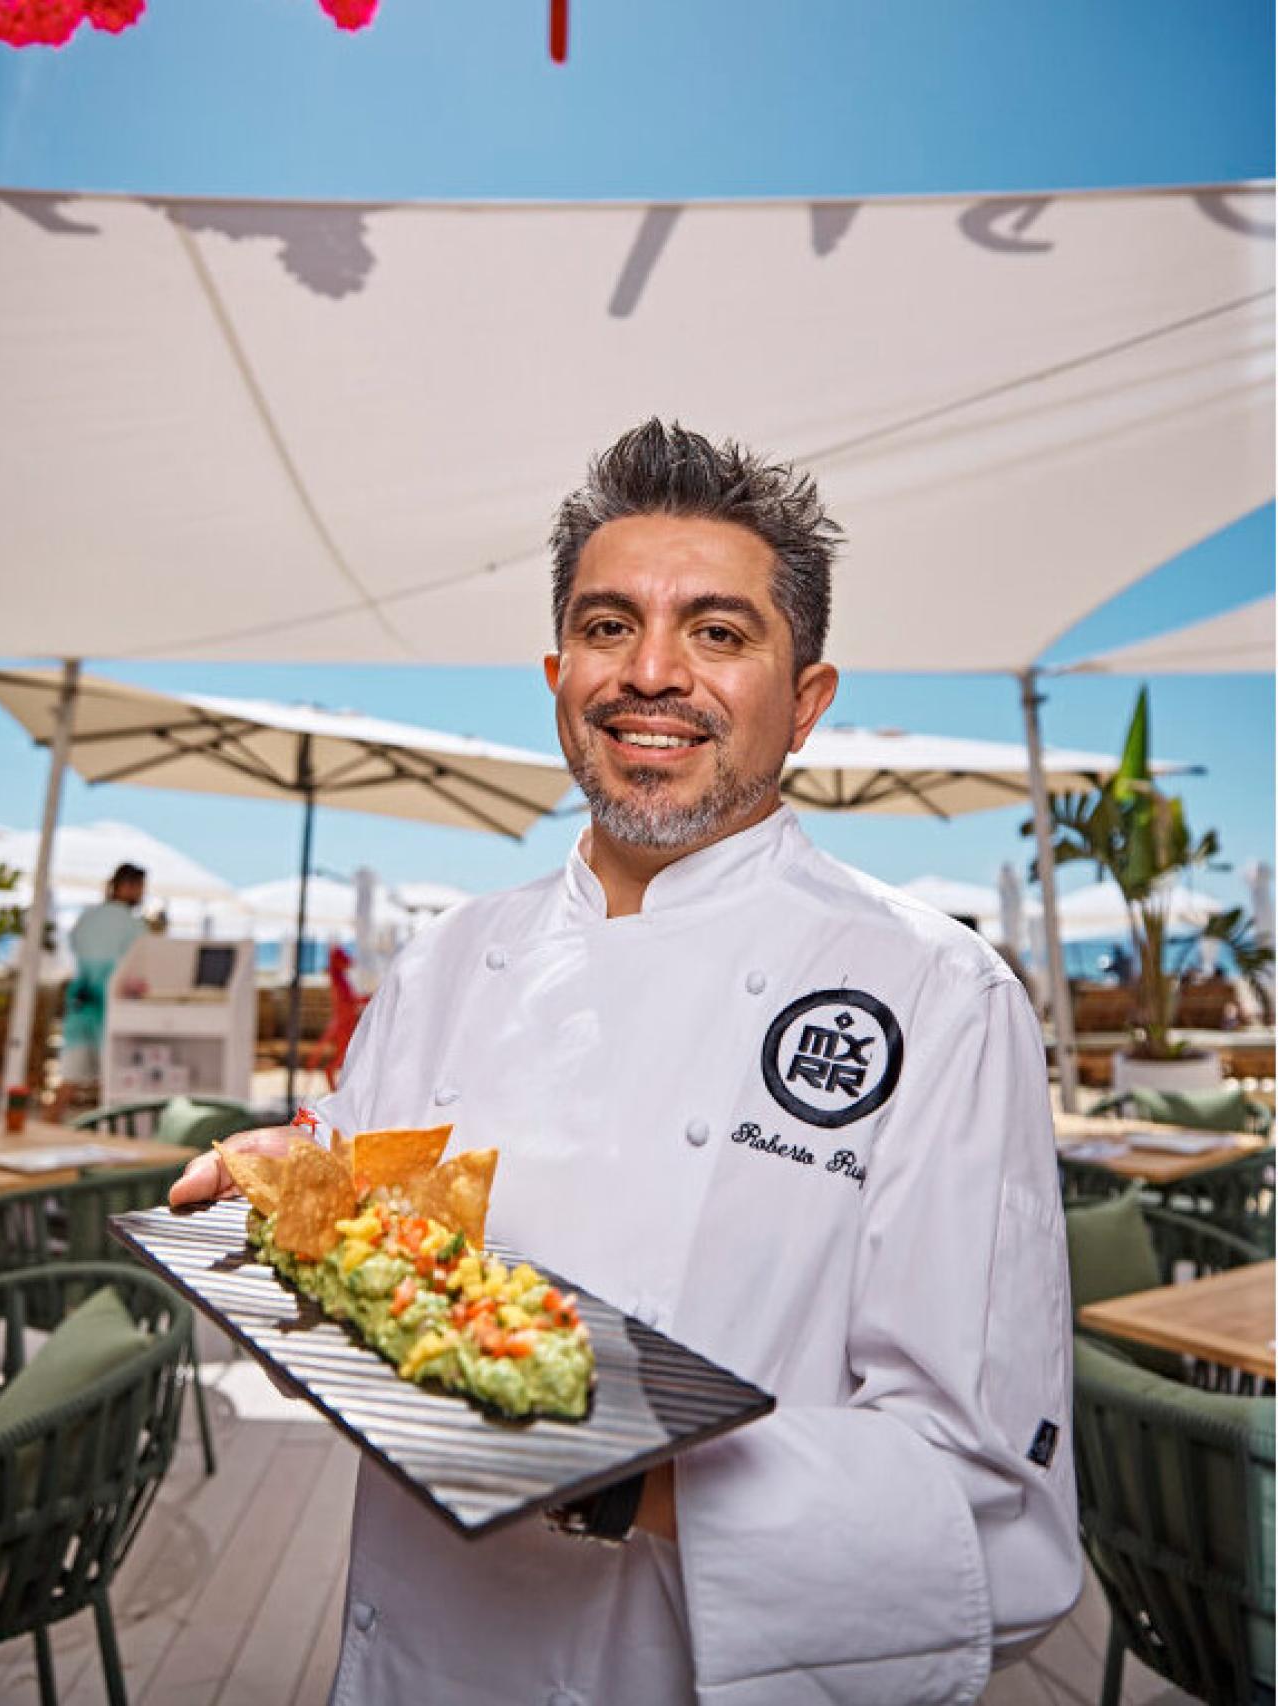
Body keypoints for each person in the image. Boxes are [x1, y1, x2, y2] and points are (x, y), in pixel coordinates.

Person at [173, 421, 1081, 1704]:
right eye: (608, 627)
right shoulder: (443, 961)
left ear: (806, 699)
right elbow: (355, 1292)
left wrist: (603, 1473)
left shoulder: (933, 992)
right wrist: (293, 1208)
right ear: (556, 672)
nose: (651, 672)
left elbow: (992, 1524)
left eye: (717, 632)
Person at [54, 860, 147, 1117]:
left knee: (69, 1076)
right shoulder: (131, 923)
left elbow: (74, 948)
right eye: (140, 887)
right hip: (111, 1002)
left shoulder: (87, 916)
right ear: (127, 886)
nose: (141, 894)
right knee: (113, 1077)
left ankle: (48, 1126)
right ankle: (107, 1135)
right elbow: (142, 963)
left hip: (80, 999)